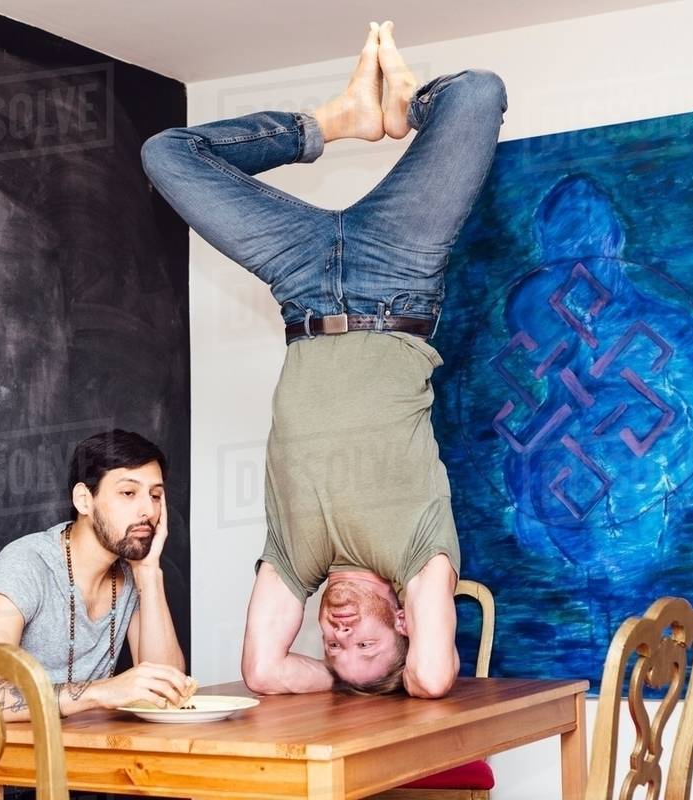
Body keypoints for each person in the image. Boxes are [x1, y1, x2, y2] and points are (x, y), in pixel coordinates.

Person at [141, 21, 506, 697]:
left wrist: (350, 687)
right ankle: (407, 106)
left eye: (333, 647)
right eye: (363, 641)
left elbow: (264, 671)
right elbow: (430, 676)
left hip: (301, 287)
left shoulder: (294, 562)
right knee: (479, 93)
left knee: (166, 153)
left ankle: (335, 122)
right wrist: (388, 681)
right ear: (404, 617)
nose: (337, 632)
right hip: (401, 275)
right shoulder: (421, 557)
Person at [0, 430, 192, 799]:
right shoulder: (26, 564)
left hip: (64, 775)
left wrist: (148, 574)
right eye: (129, 493)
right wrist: (100, 693)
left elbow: (167, 686)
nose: (148, 511)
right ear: (84, 499)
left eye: (155, 495)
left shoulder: (130, 575)